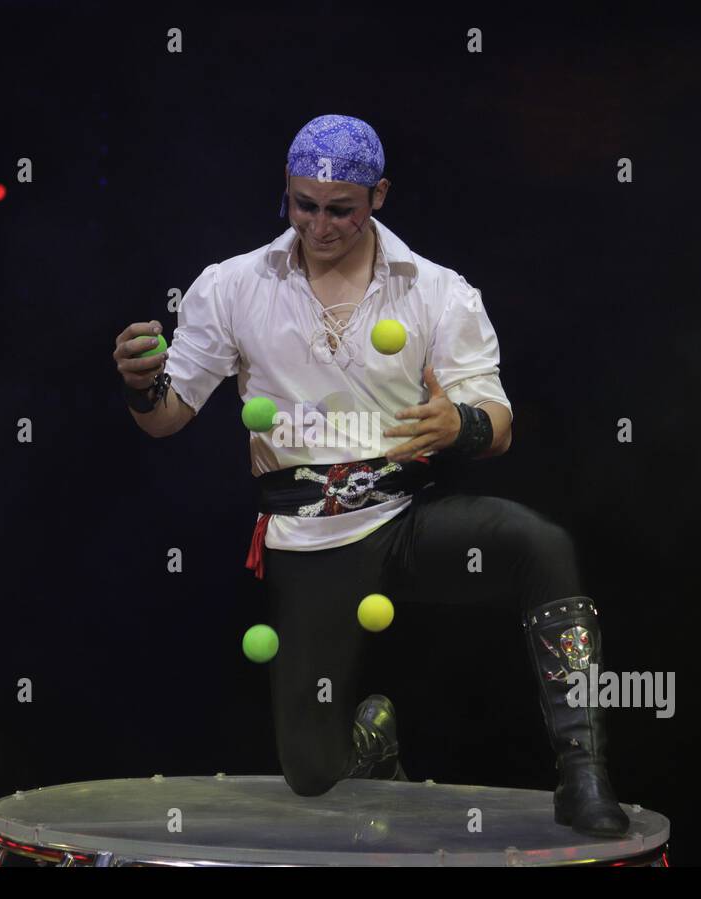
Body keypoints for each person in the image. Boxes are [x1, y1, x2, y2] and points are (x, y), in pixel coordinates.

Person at [116, 114, 629, 837]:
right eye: (304, 205)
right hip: (309, 538)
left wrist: (463, 426)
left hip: (408, 516)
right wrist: (142, 386)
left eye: (340, 210)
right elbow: (168, 416)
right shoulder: (231, 286)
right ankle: (369, 742)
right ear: (286, 195)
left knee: (539, 544)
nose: (320, 225)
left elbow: (497, 419)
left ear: (378, 195)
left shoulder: (437, 290)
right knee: (311, 774)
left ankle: (583, 771)